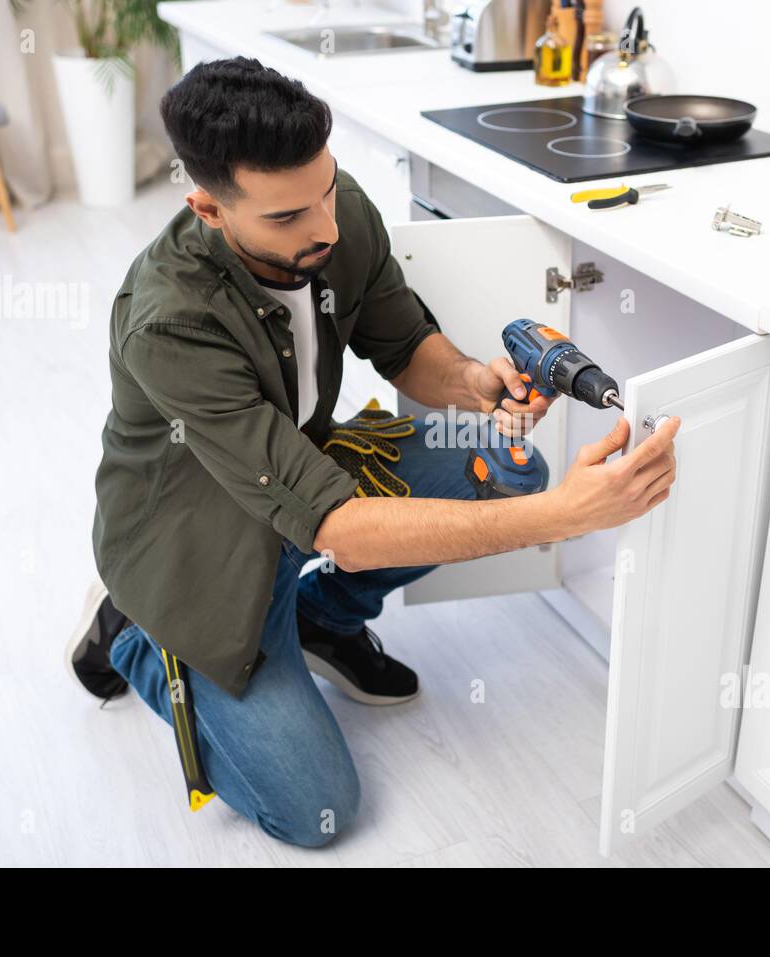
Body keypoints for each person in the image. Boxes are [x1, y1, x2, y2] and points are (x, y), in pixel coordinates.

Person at [68, 57, 679, 848]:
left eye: (324, 192)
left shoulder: (336, 210)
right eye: (287, 217)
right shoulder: (169, 320)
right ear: (209, 209)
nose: (324, 226)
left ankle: (322, 618)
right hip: (194, 548)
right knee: (315, 806)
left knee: (500, 467)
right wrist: (556, 519)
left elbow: (404, 344)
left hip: (299, 479)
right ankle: (136, 630)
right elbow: (340, 528)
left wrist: (473, 382)